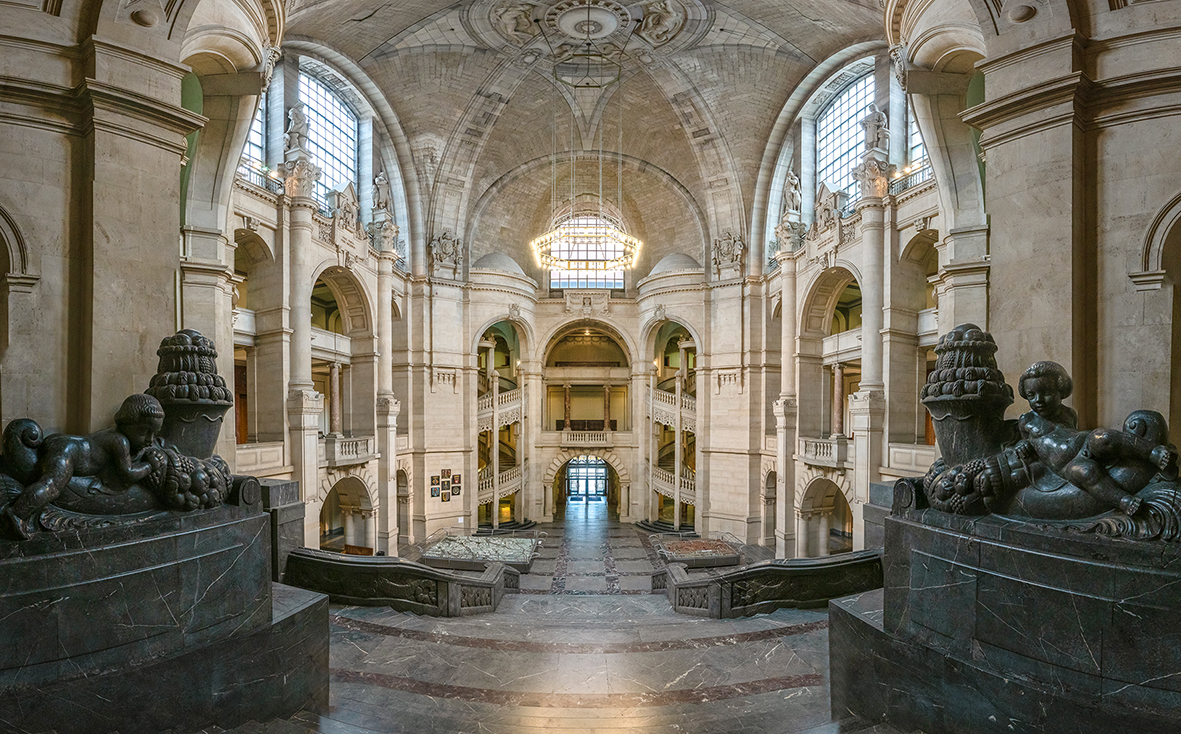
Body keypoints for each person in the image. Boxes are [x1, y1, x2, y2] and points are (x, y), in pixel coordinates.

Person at [1016, 362, 1177, 514]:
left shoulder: (1068, 413)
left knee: (1104, 437)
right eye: (1031, 395)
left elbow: (1072, 432)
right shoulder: (1026, 420)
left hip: (1084, 443)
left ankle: (1153, 452)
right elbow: (1024, 440)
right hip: (1067, 464)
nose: (1038, 400)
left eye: (1047, 393)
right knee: (1087, 472)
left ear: (1061, 392)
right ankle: (1123, 500)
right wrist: (1022, 446)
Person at [2, 394, 166, 539]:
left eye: (155, 433)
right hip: (68, 453)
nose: (150, 439)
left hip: (63, 443)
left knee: (50, 485)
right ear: (127, 423)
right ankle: (17, 513)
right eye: (144, 432)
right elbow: (128, 473)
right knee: (51, 486)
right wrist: (150, 465)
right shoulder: (120, 441)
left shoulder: (114, 434)